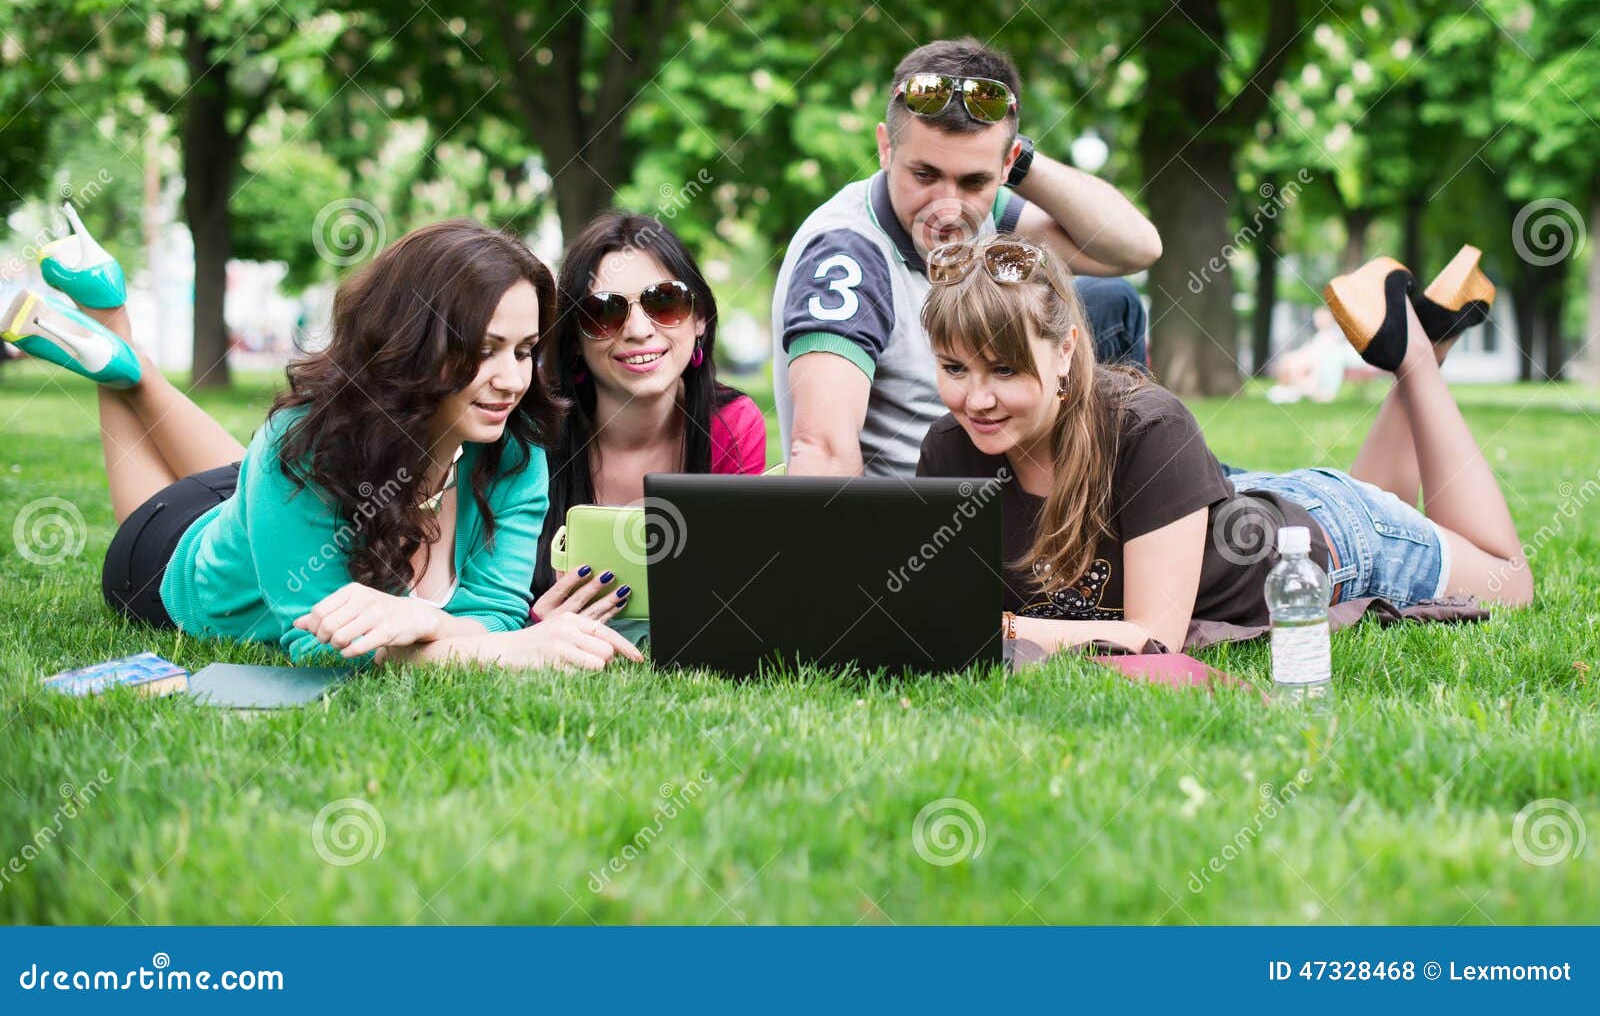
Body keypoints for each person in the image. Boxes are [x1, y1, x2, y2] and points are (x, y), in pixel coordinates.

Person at [1, 210, 641, 671]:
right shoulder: (303, 448)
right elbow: (319, 643)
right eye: (483, 351)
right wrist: (500, 652)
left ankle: (114, 337)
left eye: (526, 351)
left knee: (263, 468)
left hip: (276, 497)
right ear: (415, 345)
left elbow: (498, 613)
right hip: (171, 548)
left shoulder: (516, 454)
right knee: (222, 479)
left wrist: (427, 620)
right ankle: (114, 344)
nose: (512, 380)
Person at [914, 236, 1530, 656]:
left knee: (1509, 582)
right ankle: (1432, 329)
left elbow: (1155, 635)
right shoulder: (950, 449)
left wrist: (1002, 628)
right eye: (954, 369)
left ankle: (1416, 354)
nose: (976, 399)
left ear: (1067, 348)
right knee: (1391, 493)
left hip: (1338, 540)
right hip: (1243, 507)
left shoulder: (1145, 429)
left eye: (1004, 371)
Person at [773, 36, 1162, 478]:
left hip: (1010, 474)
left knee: (1111, 300)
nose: (948, 205)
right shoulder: (847, 254)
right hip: (939, 519)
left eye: (974, 180)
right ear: (885, 148)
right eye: (925, 175)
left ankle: (1115, 494)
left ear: (1006, 165)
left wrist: (1013, 165)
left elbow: (1135, 248)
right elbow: (821, 449)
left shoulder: (986, 213)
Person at [530, 212, 768, 599]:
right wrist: (541, 625)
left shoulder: (733, 425)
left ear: (700, 319)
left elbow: (741, 590)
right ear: (574, 340)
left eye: (665, 302)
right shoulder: (534, 437)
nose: (639, 331)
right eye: (604, 311)